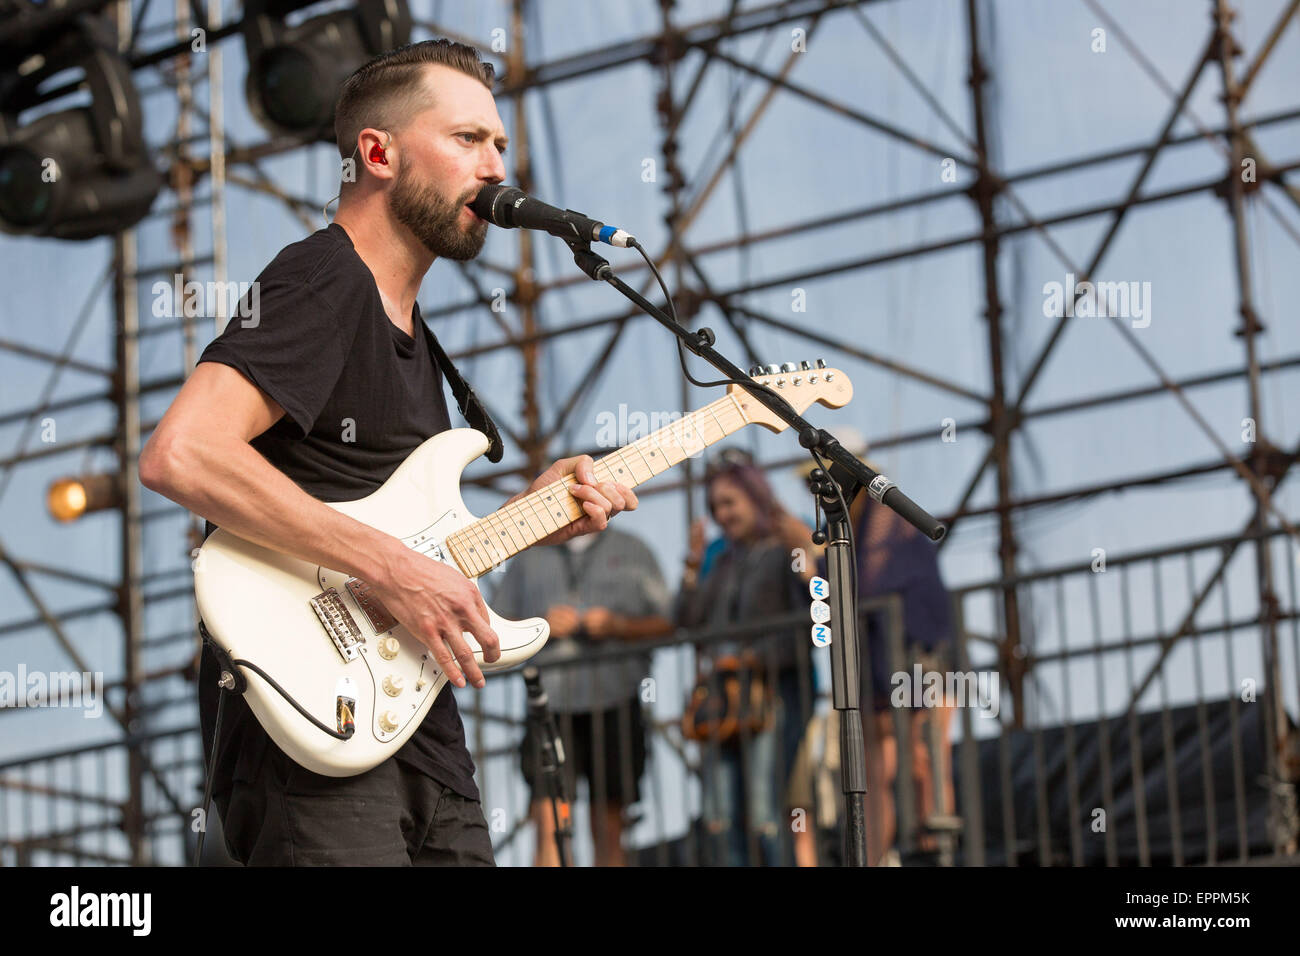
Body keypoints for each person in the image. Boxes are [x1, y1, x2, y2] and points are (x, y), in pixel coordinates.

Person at [138, 39, 637, 866]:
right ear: (378, 153)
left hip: (418, 734)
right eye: (468, 140)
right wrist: (391, 570)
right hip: (311, 740)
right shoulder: (321, 281)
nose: (496, 167)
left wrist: (531, 517)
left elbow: (407, 534)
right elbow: (181, 454)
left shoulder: (413, 334)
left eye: (501, 146)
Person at [490, 528, 672, 866]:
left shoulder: (635, 548)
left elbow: (668, 622)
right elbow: (495, 627)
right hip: (550, 706)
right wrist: (541, 624)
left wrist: (617, 626)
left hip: (617, 700)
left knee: (609, 825)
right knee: (550, 822)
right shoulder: (528, 557)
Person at [676, 452, 819, 866]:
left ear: (755, 497)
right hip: (725, 700)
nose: (722, 514)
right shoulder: (721, 557)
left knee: (764, 812)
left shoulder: (784, 547)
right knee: (719, 815)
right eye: (715, 506)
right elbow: (686, 620)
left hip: (774, 693)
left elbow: (809, 624)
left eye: (730, 503)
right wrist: (692, 564)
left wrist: (750, 659)